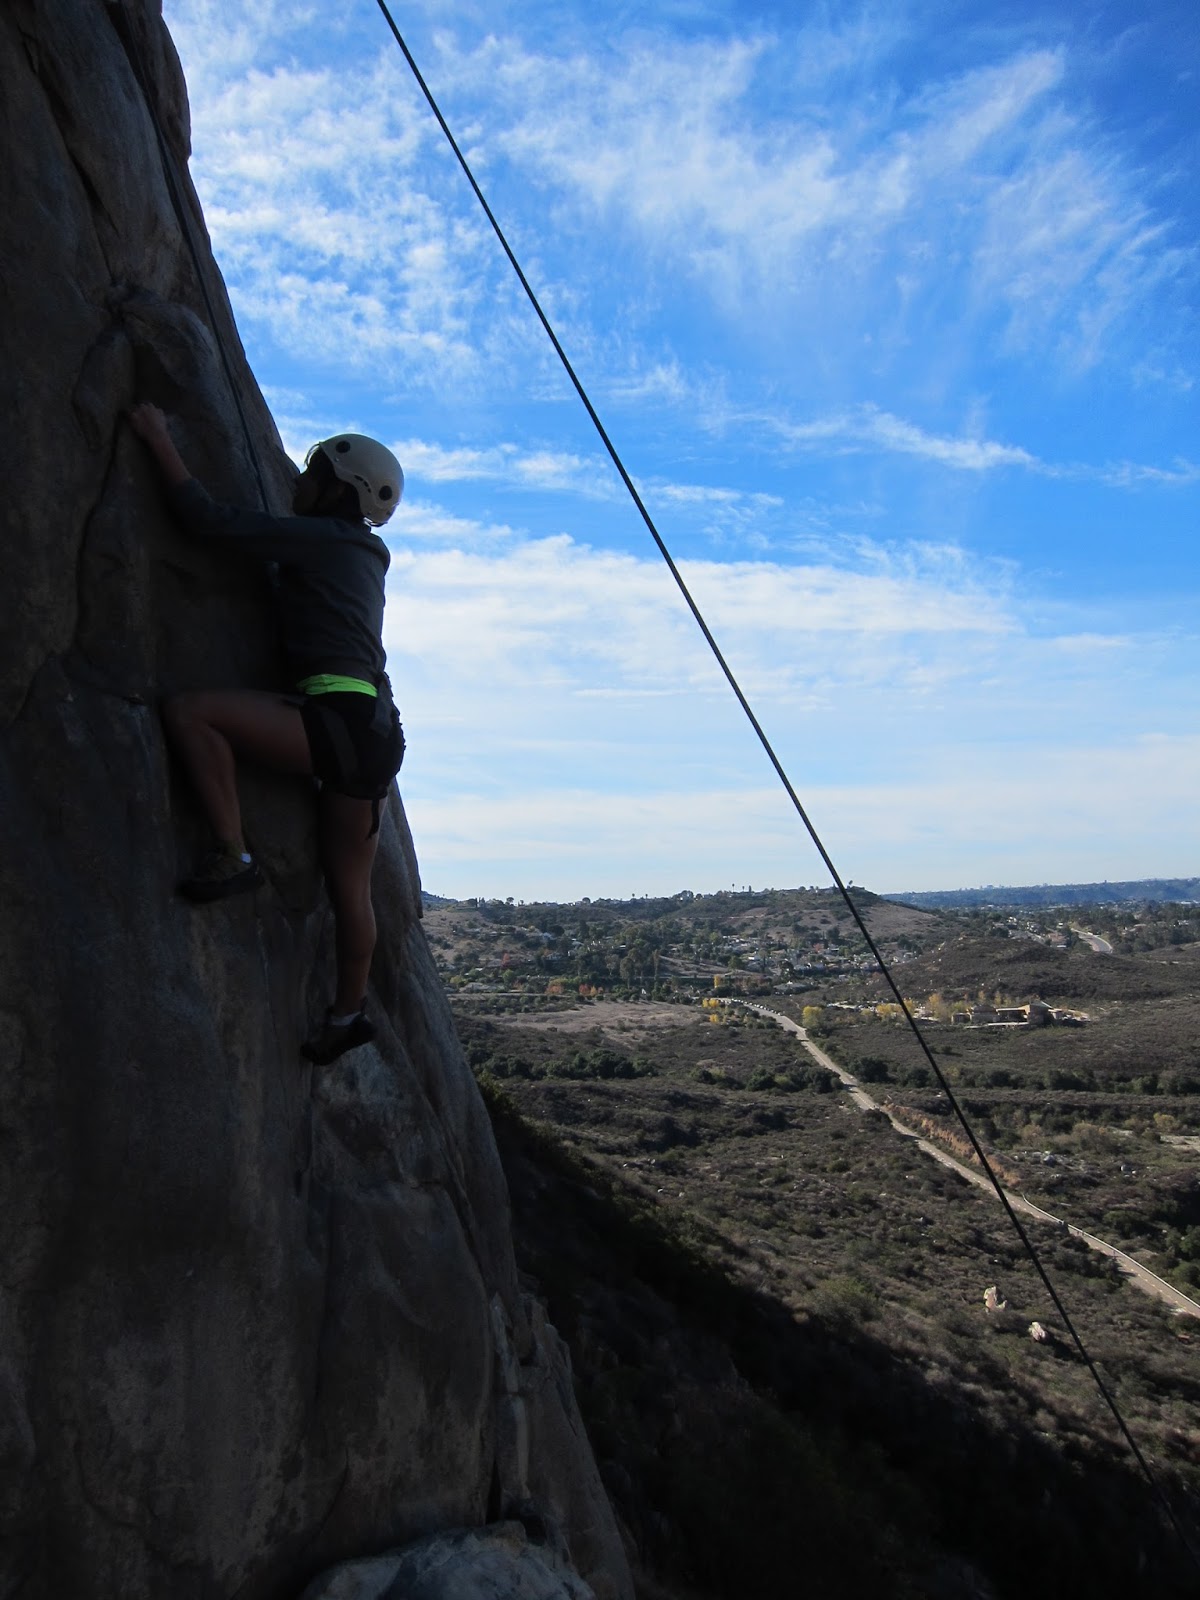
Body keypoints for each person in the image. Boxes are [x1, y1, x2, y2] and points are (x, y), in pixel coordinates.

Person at [128, 402, 407, 1065]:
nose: (297, 482)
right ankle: (345, 1013)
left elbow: (207, 522)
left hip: (334, 723)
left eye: (311, 473)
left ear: (340, 490)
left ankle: (233, 853)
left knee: (193, 712)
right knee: (351, 892)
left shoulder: (327, 541)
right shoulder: (362, 555)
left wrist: (158, 437)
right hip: (372, 733)